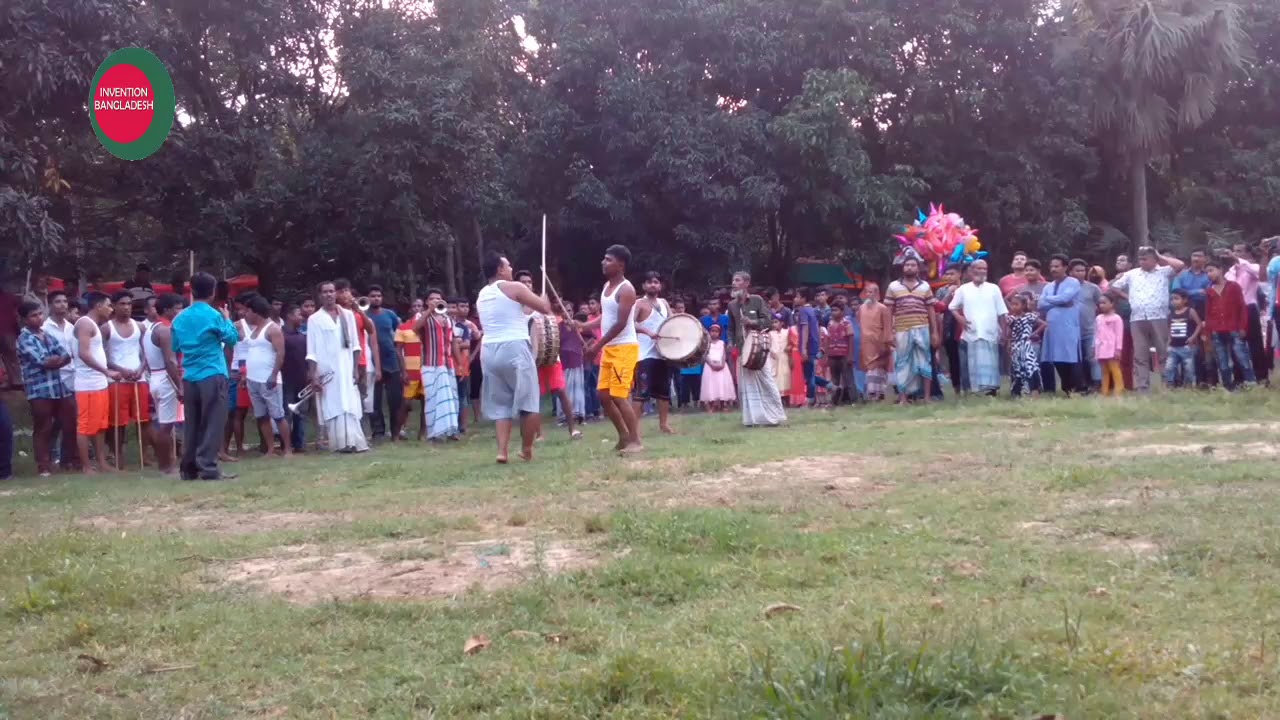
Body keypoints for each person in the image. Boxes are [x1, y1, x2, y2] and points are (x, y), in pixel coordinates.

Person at [476, 252, 553, 463]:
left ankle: (502, 451)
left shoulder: (483, 294)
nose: (511, 269)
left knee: (501, 403)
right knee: (528, 402)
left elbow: (518, 312)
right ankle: (526, 449)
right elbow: (544, 308)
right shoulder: (516, 287)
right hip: (515, 346)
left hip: (490, 350)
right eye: (508, 266)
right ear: (500, 269)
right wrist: (543, 299)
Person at [171, 273, 239, 480]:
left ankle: (188, 468)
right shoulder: (214, 315)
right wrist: (227, 319)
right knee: (213, 422)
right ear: (212, 293)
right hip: (212, 373)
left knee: (192, 422)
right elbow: (232, 338)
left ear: (191, 291)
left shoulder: (179, 317)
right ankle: (208, 466)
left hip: (189, 375)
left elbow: (175, 346)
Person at [585, 245, 644, 453]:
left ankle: (636, 441)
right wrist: (584, 326)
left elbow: (620, 323)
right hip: (610, 349)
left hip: (624, 348)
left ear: (620, 265)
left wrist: (596, 345)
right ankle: (623, 437)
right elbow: (606, 317)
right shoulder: (607, 287)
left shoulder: (626, 289)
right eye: (604, 258)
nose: (603, 262)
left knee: (619, 395)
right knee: (603, 395)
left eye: (608, 259)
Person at [1110, 247, 1184, 391]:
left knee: (1163, 352)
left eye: (1145, 259)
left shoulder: (1164, 271)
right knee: (1140, 354)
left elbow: (1180, 265)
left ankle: (1167, 385)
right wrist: (1128, 297)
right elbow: (1114, 286)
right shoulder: (1132, 274)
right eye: (1140, 259)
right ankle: (1142, 387)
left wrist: (1158, 255)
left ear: (1154, 260)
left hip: (1159, 317)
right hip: (1137, 318)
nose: (1142, 262)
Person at [306, 281, 368, 452]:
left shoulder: (347, 315)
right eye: (325, 292)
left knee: (350, 403)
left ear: (336, 294)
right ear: (320, 295)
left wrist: (356, 368)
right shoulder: (314, 319)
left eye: (331, 291)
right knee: (333, 405)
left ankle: (355, 442)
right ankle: (340, 444)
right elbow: (311, 350)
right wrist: (313, 375)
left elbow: (356, 345)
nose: (329, 295)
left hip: (347, 367)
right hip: (327, 370)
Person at [16, 300, 74, 476]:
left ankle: (67, 461)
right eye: (34, 315)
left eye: (40, 314)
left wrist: (55, 361)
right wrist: (55, 361)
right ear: (24, 319)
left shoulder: (46, 334)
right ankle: (44, 466)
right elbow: (44, 361)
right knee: (43, 428)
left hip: (58, 387)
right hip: (38, 390)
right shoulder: (24, 338)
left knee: (70, 422)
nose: (39, 318)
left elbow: (66, 355)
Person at [727, 271, 787, 426]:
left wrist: (752, 322)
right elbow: (731, 328)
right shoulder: (732, 305)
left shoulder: (757, 300)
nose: (734, 283)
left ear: (747, 283)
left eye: (737, 280)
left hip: (759, 348)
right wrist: (730, 342)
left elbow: (767, 322)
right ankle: (752, 419)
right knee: (747, 384)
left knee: (767, 380)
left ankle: (776, 417)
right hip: (742, 349)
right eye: (733, 280)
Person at [73, 292, 121, 473]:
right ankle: (86, 466)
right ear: (98, 306)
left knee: (101, 424)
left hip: (99, 383)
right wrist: (106, 370)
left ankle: (102, 462)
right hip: (87, 384)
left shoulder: (94, 325)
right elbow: (83, 354)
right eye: (108, 305)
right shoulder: (85, 323)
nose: (111, 309)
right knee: (85, 425)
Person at [101, 290, 150, 466]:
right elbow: (102, 356)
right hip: (117, 380)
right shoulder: (107, 328)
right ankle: (118, 455)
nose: (126, 307)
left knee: (143, 419)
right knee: (117, 422)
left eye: (129, 304)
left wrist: (141, 368)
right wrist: (120, 370)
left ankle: (145, 455)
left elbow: (146, 352)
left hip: (139, 377)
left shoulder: (140, 327)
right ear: (113, 306)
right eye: (122, 304)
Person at [947, 259, 1009, 396]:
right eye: (978, 268)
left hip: (990, 332)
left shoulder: (993, 288)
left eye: (984, 269)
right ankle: (972, 392)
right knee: (971, 363)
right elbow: (952, 307)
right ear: (971, 271)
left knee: (991, 362)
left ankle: (991, 390)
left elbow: (1002, 312)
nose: (981, 271)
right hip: (971, 333)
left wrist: (1004, 333)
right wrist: (960, 318)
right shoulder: (963, 289)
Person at [242, 295, 292, 458]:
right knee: (261, 415)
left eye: (248, 311)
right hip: (253, 379)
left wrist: (274, 374)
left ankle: (288, 449)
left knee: (278, 415)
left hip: (269, 379)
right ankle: (270, 449)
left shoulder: (273, 329)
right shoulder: (255, 329)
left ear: (256, 312)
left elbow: (280, 353)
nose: (245, 314)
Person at [885, 256, 937, 403]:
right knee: (902, 362)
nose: (909, 267)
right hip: (902, 329)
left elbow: (931, 310)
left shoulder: (925, 286)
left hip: (922, 328)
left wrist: (934, 332)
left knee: (925, 361)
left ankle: (926, 398)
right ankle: (903, 399)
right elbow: (888, 310)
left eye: (913, 265)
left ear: (918, 268)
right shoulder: (893, 286)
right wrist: (889, 332)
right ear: (903, 267)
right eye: (907, 265)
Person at [143, 293, 185, 474]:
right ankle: (166, 466)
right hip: (166, 378)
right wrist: (180, 386)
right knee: (166, 425)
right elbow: (170, 361)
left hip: (156, 376)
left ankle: (167, 464)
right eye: (177, 308)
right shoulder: (165, 330)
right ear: (167, 310)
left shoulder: (151, 328)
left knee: (165, 423)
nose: (180, 311)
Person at [415, 289, 462, 442]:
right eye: (432, 299)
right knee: (434, 398)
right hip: (431, 364)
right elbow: (415, 328)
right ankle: (435, 433)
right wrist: (429, 310)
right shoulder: (422, 317)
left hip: (448, 364)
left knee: (452, 397)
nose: (435, 301)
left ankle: (451, 430)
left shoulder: (448, 319)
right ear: (427, 301)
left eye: (438, 298)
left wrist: (460, 363)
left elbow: (454, 341)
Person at [632, 271, 674, 434]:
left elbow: (672, 322)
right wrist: (648, 332)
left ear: (660, 286)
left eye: (656, 282)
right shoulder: (639, 303)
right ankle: (633, 428)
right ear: (643, 286)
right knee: (641, 392)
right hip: (644, 354)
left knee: (664, 392)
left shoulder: (664, 303)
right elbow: (631, 324)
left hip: (662, 354)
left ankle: (663, 425)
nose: (653, 285)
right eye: (649, 282)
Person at [1204, 258, 1256, 390]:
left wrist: (1243, 327)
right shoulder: (1210, 290)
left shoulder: (1233, 286)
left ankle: (1251, 383)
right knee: (1223, 362)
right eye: (1207, 272)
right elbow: (1208, 313)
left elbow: (1242, 308)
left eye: (1211, 270)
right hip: (1217, 330)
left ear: (1220, 270)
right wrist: (1208, 333)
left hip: (1234, 328)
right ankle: (1228, 387)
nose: (1209, 274)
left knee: (1242, 357)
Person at [41, 290, 79, 470]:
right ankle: (48, 458)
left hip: (71, 376)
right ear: (50, 305)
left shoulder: (71, 327)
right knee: (51, 423)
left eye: (65, 301)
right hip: (52, 378)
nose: (62, 305)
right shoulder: (44, 328)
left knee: (69, 421)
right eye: (58, 302)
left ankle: (67, 459)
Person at [1037, 255, 1082, 395]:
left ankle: (1073, 388)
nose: (1053, 269)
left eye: (1057, 266)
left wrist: (1048, 300)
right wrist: (1058, 301)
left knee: (1069, 357)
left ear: (1065, 267)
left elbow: (1066, 297)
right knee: (1054, 358)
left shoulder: (1073, 282)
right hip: (1052, 326)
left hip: (1068, 325)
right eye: (1052, 266)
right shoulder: (1048, 286)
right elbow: (1040, 304)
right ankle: (1063, 387)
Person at [1224, 244, 1268, 384]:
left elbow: (1262, 276)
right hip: (1233, 312)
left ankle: (1261, 378)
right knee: (1236, 345)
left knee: (1255, 346)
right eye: (1234, 250)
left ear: (1248, 253)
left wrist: (1238, 260)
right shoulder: (1229, 272)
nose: (1235, 253)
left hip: (1249, 308)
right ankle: (1239, 379)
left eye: (1239, 251)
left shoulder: (1252, 267)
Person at [335, 279, 377, 420]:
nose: (346, 294)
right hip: (342, 360)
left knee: (361, 395)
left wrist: (359, 310)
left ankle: (361, 431)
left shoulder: (358, 313)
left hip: (360, 361)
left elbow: (370, 330)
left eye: (347, 290)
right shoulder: (335, 314)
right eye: (341, 292)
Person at [365, 285, 402, 441]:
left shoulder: (390, 314)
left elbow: (399, 332)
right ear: (368, 298)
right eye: (373, 296)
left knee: (395, 400)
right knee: (375, 401)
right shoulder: (363, 315)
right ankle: (378, 432)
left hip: (391, 360)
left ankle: (395, 432)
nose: (376, 298)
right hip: (372, 362)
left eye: (379, 296)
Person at [1172, 250, 1212, 386]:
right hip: (1185, 313)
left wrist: (1187, 293)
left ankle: (1204, 381)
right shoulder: (1182, 276)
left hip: (1205, 312)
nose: (1196, 258)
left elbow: (1209, 292)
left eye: (1199, 256)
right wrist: (1197, 292)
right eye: (1193, 255)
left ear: (1205, 259)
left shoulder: (1209, 275)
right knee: (1186, 345)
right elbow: (1176, 292)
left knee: (1204, 348)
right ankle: (1186, 381)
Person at [1069, 259, 1102, 392]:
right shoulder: (1066, 287)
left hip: (1089, 329)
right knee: (1077, 360)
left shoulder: (1093, 288)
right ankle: (1081, 385)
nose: (1080, 273)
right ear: (1070, 272)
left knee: (1092, 358)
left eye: (1083, 270)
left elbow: (1102, 304)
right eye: (1077, 270)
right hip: (1071, 330)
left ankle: (1096, 384)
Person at [395, 298, 425, 441]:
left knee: (425, 402)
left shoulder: (427, 326)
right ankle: (398, 432)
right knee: (406, 403)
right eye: (415, 306)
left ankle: (423, 433)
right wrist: (403, 371)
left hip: (425, 369)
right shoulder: (403, 327)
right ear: (410, 309)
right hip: (410, 369)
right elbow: (398, 350)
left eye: (420, 306)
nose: (417, 308)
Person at [857, 282, 894, 402]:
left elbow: (888, 327)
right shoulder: (861, 308)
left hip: (879, 342)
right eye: (866, 292)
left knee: (878, 368)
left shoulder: (882, 308)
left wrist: (886, 342)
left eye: (871, 292)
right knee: (869, 369)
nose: (868, 294)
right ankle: (871, 394)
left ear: (877, 293)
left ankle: (879, 393)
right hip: (866, 343)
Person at [793, 288, 829, 405]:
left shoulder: (803, 311)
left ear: (803, 298)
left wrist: (803, 348)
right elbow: (817, 329)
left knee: (809, 376)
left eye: (797, 297)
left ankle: (810, 400)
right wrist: (819, 345)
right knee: (810, 374)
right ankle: (832, 386)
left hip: (808, 347)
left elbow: (805, 329)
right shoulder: (813, 311)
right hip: (814, 346)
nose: (795, 299)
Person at [281, 305, 310, 451]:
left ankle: (300, 443)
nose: (302, 317)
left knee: (301, 412)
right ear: (290, 316)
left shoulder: (302, 335)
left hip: (302, 379)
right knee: (287, 413)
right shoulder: (281, 334)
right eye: (299, 314)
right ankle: (285, 444)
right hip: (286, 379)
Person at [1007, 293, 1044, 397]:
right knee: (1017, 368)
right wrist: (1009, 343)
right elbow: (1010, 333)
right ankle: (1019, 393)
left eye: (1016, 304)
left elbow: (1043, 324)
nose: (1014, 306)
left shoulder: (1029, 316)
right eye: (1012, 304)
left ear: (1023, 305)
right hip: (1016, 346)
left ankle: (1035, 392)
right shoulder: (1011, 319)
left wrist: (1033, 333)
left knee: (1030, 367)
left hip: (1026, 346)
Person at [450, 298, 478, 434]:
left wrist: (452, 344)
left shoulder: (464, 327)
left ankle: (463, 427)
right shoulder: (444, 325)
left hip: (462, 365)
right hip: (447, 366)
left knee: (462, 396)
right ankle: (452, 425)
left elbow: (468, 342)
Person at [1164, 289, 1201, 389]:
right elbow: (1169, 330)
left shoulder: (1190, 311)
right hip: (1173, 347)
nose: (1173, 301)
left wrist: (1193, 337)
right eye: (1172, 299)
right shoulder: (1170, 314)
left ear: (1185, 300)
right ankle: (1170, 386)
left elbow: (1199, 325)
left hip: (1186, 346)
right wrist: (1168, 343)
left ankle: (1189, 387)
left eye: (1176, 298)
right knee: (1169, 367)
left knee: (1189, 368)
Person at [558, 309, 587, 427]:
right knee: (566, 387)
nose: (568, 312)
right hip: (565, 359)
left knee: (578, 387)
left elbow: (582, 341)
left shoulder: (576, 324)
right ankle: (565, 415)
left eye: (570, 310)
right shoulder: (559, 326)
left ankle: (579, 413)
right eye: (566, 310)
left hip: (577, 357)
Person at [699, 324, 734, 412]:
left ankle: (722, 404)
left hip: (721, 366)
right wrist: (711, 364)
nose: (714, 333)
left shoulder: (722, 343)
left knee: (721, 384)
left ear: (719, 333)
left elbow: (723, 354)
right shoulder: (706, 343)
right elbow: (704, 355)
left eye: (716, 331)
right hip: (710, 366)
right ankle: (710, 405)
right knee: (711, 384)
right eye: (712, 331)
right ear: (709, 332)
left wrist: (722, 364)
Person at [1095, 294, 1125, 396]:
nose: (1101, 305)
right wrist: (1095, 347)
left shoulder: (1116, 318)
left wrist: (1118, 349)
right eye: (1100, 303)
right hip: (1101, 348)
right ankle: (1104, 392)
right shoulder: (1099, 318)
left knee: (1115, 369)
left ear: (1112, 304)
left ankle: (1119, 391)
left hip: (1112, 349)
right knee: (1104, 371)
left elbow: (1119, 334)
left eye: (1104, 303)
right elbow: (1097, 333)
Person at [825, 305, 854, 405]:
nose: (833, 312)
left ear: (842, 311)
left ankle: (852, 400)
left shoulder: (847, 323)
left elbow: (850, 339)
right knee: (834, 379)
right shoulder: (830, 324)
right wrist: (827, 355)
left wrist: (850, 355)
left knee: (848, 378)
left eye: (836, 310)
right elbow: (828, 340)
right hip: (833, 355)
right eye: (832, 310)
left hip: (844, 354)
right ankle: (834, 401)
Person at [768, 316, 791, 404]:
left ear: (782, 323)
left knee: (786, 376)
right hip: (774, 359)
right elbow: (768, 345)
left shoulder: (787, 332)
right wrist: (771, 352)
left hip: (785, 358)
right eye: (773, 322)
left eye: (776, 322)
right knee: (776, 377)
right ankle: (778, 400)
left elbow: (790, 343)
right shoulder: (770, 333)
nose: (774, 324)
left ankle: (787, 398)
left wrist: (789, 348)